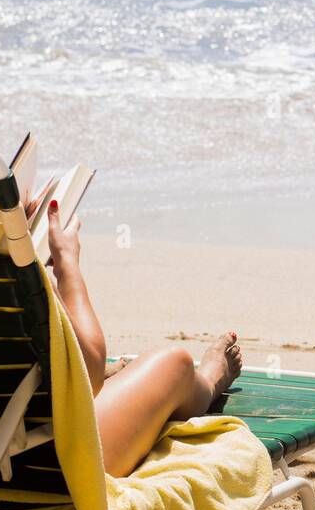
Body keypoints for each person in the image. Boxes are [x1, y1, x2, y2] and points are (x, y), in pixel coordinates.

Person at [44, 199, 242, 478]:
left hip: (5, 449)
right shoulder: (15, 277)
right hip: (53, 468)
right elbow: (88, 371)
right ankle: (209, 383)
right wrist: (66, 263)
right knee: (175, 364)